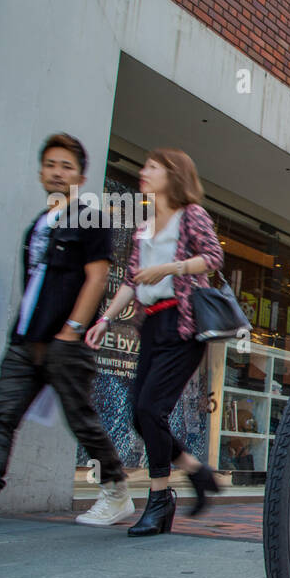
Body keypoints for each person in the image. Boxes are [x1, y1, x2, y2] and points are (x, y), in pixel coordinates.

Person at [0, 135, 131, 529]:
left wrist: (72, 330)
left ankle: (116, 491)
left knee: (82, 421)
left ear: (81, 174)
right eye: (50, 164)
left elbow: (97, 276)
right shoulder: (39, 224)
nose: (57, 172)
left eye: (66, 165)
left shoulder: (91, 216)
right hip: (25, 341)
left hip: (64, 342)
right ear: (40, 172)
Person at [84, 148, 224, 536]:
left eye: (153, 167)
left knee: (150, 408)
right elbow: (131, 280)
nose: (143, 171)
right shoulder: (145, 223)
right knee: (139, 415)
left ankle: (159, 498)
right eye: (144, 165)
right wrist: (104, 320)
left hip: (183, 325)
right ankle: (196, 472)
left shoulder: (191, 215)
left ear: (174, 174)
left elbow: (213, 257)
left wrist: (171, 267)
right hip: (153, 325)